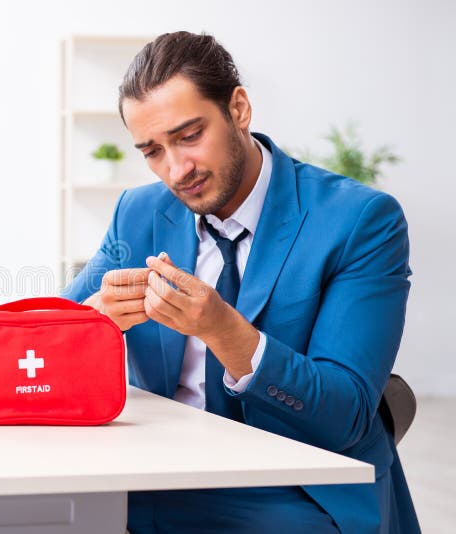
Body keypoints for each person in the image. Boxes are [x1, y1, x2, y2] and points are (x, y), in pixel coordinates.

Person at [62, 31, 419, 534]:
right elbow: (50, 331)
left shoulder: (358, 221)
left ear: (239, 108)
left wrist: (227, 333)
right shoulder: (138, 214)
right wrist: (90, 324)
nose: (175, 169)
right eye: (152, 151)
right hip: (151, 472)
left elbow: (347, 414)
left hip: (295, 487)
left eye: (189, 136)